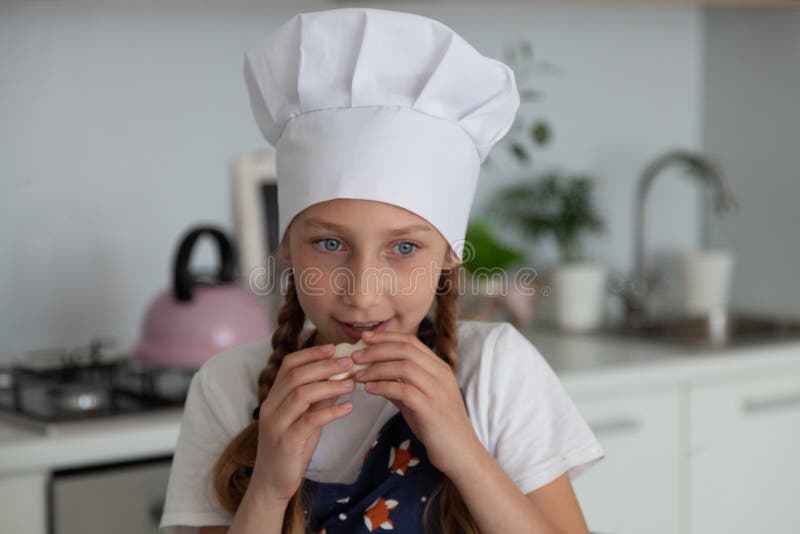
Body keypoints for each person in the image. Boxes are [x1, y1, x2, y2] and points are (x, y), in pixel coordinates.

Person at [160, 7, 605, 534]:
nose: (363, 292)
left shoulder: (495, 373)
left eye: (404, 249)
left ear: (447, 257)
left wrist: (463, 451)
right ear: (287, 249)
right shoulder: (228, 387)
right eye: (329, 243)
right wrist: (270, 486)